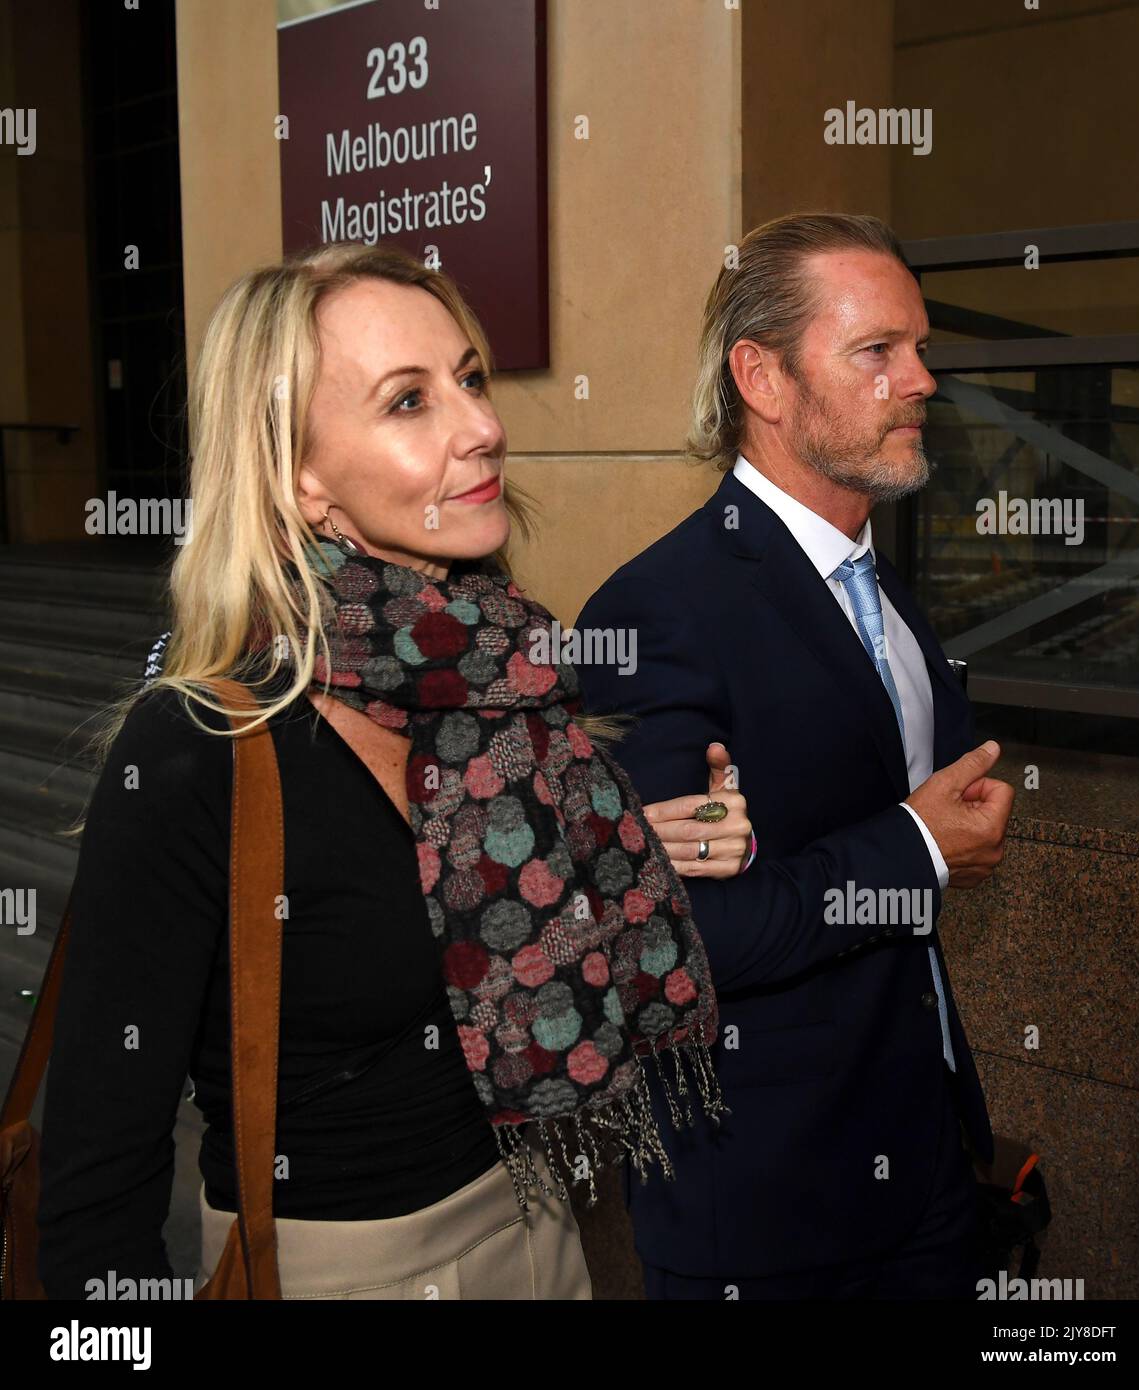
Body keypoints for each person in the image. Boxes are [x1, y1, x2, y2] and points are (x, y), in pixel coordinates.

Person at [35, 241, 753, 1301]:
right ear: (300, 480)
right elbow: (96, 1181)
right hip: (333, 1267)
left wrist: (631, 843)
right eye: (407, 402)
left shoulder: (502, 684)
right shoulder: (198, 748)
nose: (482, 428)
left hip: (541, 1225)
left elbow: (461, 902)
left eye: (468, 379)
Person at [575, 212, 1015, 1300]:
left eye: (918, 350)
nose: (917, 380)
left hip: (926, 1167)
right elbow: (690, 936)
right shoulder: (655, 611)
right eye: (875, 352)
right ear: (759, 379)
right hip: (769, 1216)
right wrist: (918, 844)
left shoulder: (886, 592)